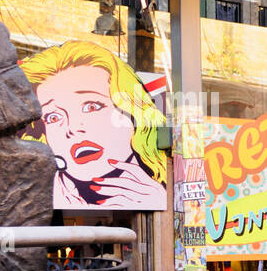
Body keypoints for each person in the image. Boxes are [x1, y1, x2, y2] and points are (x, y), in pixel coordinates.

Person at [19, 41, 167, 209]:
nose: (73, 128)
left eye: (91, 107)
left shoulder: (162, 189)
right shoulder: (33, 199)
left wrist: (158, 199)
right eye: (53, 117)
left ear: (132, 113)